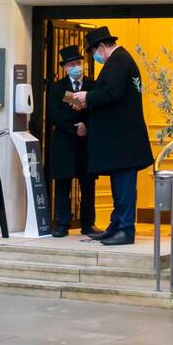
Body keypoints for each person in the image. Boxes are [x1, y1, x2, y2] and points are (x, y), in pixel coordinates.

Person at [65, 26, 153, 247]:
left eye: (95, 50)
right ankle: (116, 225)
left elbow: (112, 93)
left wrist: (88, 97)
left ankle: (125, 229)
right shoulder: (119, 61)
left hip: (123, 142)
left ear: (103, 47)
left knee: (124, 186)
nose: (95, 56)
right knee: (119, 185)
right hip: (120, 142)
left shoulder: (119, 61)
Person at [45, 45, 103, 239]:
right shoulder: (57, 87)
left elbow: (97, 110)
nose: (76, 66)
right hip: (64, 142)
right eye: (72, 64)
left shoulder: (92, 85)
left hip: (86, 144)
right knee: (63, 184)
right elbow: (54, 113)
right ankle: (61, 224)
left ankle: (88, 224)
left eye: (78, 63)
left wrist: (85, 126)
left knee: (87, 184)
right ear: (65, 68)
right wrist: (74, 127)